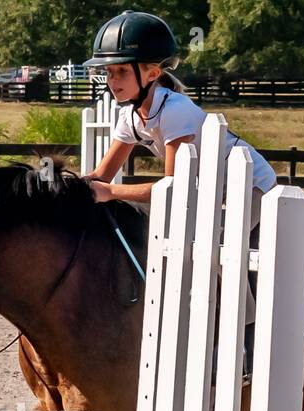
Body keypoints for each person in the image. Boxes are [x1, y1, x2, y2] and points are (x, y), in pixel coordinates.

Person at [82, 11, 279, 383]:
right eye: (108, 73)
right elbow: (99, 176)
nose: (112, 81)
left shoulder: (175, 111)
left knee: (218, 249)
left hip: (252, 187)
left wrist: (109, 193)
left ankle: (249, 345)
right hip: (209, 192)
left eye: (121, 71)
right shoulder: (131, 116)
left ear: (152, 73)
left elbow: (174, 187)